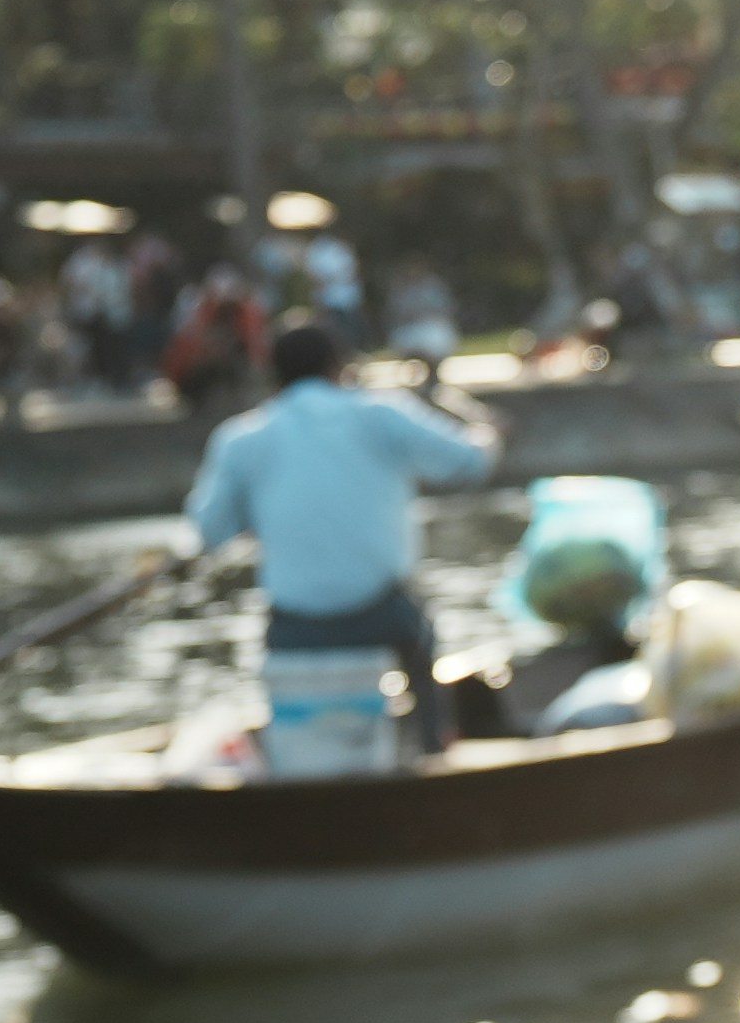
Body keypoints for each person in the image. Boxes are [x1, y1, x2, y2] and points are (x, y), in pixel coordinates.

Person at [177, 311, 502, 779]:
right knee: (418, 637)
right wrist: (489, 434)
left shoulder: (241, 439)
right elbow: (471, 462)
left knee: (279, 644)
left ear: (275, 376)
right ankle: (434, 751)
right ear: (338, 367)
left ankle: (285, 763)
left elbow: (207, 532)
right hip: (381, 618)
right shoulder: (380, 413)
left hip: (293, 628)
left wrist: (256, 514)